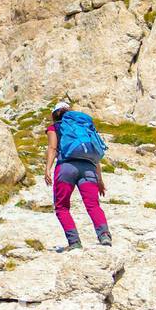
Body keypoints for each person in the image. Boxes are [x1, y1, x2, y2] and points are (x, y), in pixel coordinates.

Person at [44, 101, 111, 250]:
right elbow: (94, 153)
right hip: (88, 168)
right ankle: (104, 235)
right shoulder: (83, 127)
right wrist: (99, 179)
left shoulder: (54, 127)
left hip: (66, 168)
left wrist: (47, 168)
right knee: (93, 205)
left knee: (62, 207)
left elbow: (53, 147)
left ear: (54, 114)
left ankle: (74, 242)